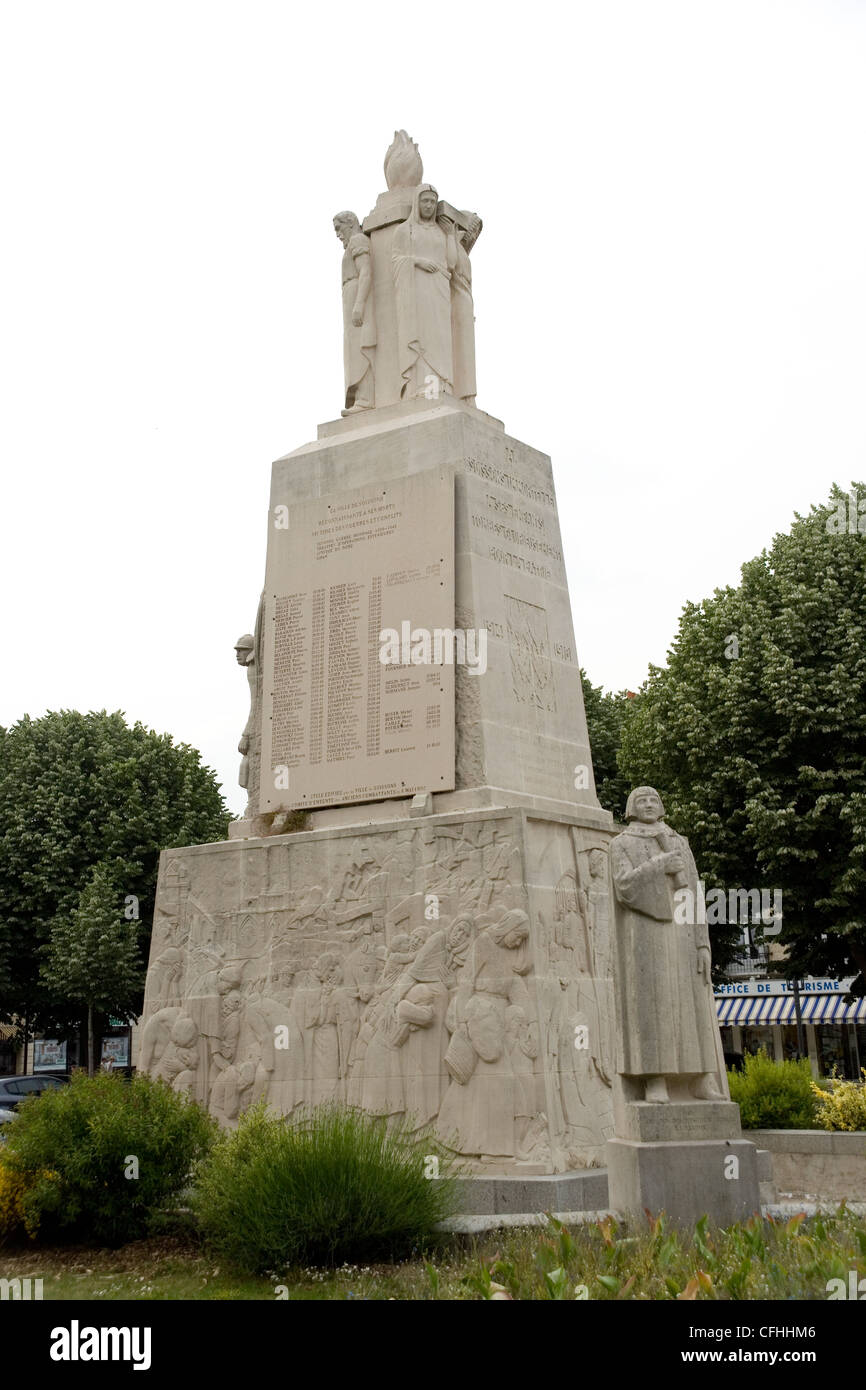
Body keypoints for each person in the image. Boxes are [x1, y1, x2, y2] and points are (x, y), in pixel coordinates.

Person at [610, 786, 726, 1103]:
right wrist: (660, 865)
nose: (649, 804)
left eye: (654, 800)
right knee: (652, 1006)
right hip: (645, 933)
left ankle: (701, 1078)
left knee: (693, 1006)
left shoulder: (679, 842)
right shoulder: (621, 843)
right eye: (641, 800)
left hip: (684, 933)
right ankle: (655, 1078)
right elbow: (624, 887)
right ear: (631, 808)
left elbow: (694, 895)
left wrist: (703, 944)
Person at [391, 184, 455, 400]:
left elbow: (451, 264)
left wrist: (450, 235)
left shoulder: (439, 232)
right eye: (425, 201)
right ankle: (422, 386)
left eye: (432, 202)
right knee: (422, 335)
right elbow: (396, 261)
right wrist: (417, 262)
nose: (429, 205)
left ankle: (440, 385)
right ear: (417, 203)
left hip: (439, 290)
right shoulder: (405, 231)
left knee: (439, 338)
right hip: (417, 290)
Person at [333, 211, 375, 413]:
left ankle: (365, 398)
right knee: (352, 347)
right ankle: (361, 396)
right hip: (351, 294)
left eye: (338, 229)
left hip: (357, 293)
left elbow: (366, 270)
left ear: (350, 224)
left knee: (360, 347)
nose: (338, 235)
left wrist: (359, 303)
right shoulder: (353, 243)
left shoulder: (358, 240)